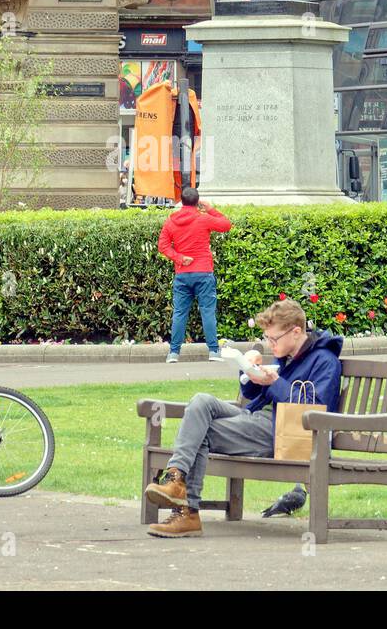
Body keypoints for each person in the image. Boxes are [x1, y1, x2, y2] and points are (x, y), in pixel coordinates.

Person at [144, 298, 342, 537]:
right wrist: (248, 373)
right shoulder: (289, 356)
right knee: (200, 401)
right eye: (266, 338)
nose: (269, 345)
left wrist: (276, 382)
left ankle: (188, 512)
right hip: (258, 417)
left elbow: (313, 409)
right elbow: (255, 394)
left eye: (274, 339)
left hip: (282, 432)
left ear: (296, 331)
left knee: (201, 431)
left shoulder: (325, 361)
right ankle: (176, 478)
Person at [158, 187, 232, 364]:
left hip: (183, 273)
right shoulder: (203, 218)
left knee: (180, 313)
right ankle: (213, 351)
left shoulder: (171, 221)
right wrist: (211, 209)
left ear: (182, 201)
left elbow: (163, 245)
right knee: (207, 312)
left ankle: (173, 353)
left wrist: (179, 258)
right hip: (204, 271)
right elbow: (226, 225)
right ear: (197, 202)